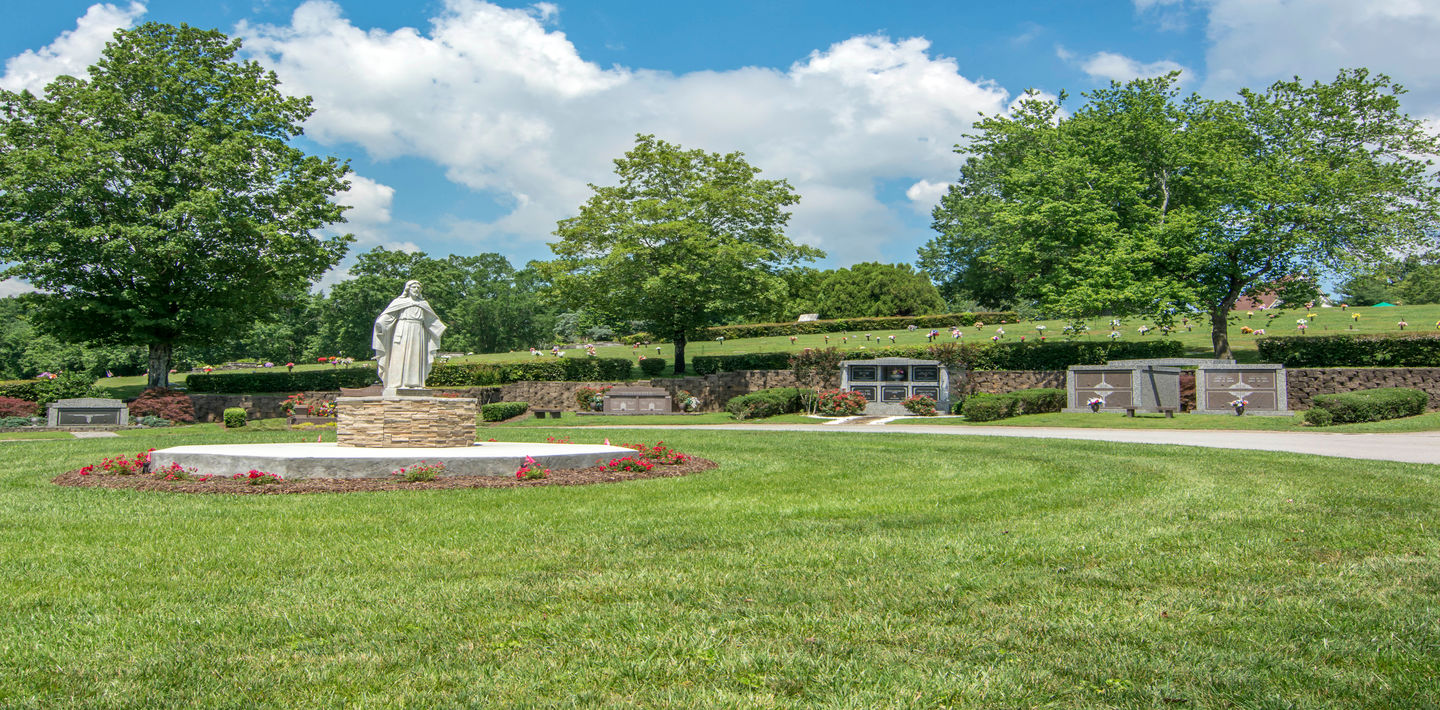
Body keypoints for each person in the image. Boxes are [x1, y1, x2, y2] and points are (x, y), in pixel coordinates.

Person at [373, 280, 446, 393]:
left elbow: (431, 320)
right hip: (403, 329)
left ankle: (415, 383)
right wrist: (380, 324)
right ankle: (396, 383)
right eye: (414, 287)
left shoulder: (423, 304)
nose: (416, 289)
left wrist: (440, 328)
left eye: (418, 288)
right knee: (399, 355)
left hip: (418, 331)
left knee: (416, 356)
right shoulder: (399, 302)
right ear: (408, 289)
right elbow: (389, 316)